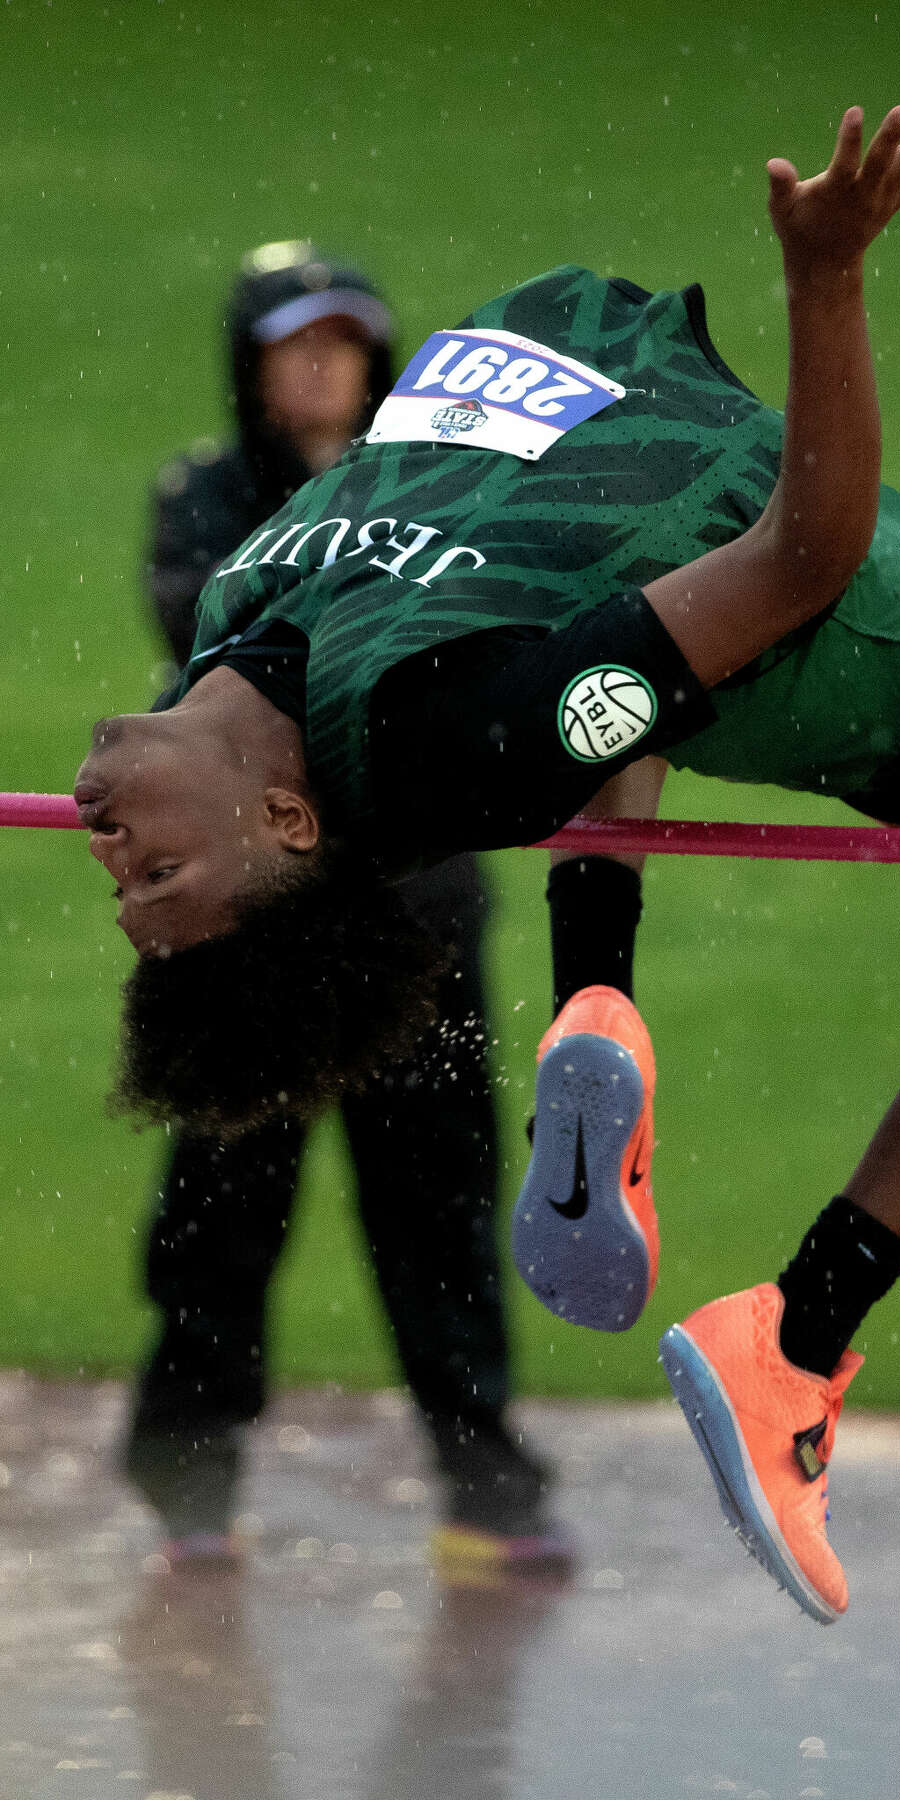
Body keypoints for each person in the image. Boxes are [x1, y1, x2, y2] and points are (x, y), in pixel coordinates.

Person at [75, 105, 900, 1620]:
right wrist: (829, 275)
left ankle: (603, 992)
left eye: (120, 891)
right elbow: (807, 553)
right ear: (285, 826)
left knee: (574, 660)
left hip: (632, 499)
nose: (110, 856)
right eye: (158, 891)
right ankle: (795, 1338)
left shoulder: (239, 623)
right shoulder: (440, 742)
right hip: (840, 631)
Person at [125, 240, 567, 1571]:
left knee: (438, 1204)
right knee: (223, 1203)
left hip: (413, 913)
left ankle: (485, 1484)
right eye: (296, 342)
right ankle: (187, 1473)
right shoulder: (205, 501)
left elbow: (459, 659)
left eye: (347, 340)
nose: (325, 363)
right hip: (248, 923)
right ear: (252, 363)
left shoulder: (435, 491)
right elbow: (229, 653)